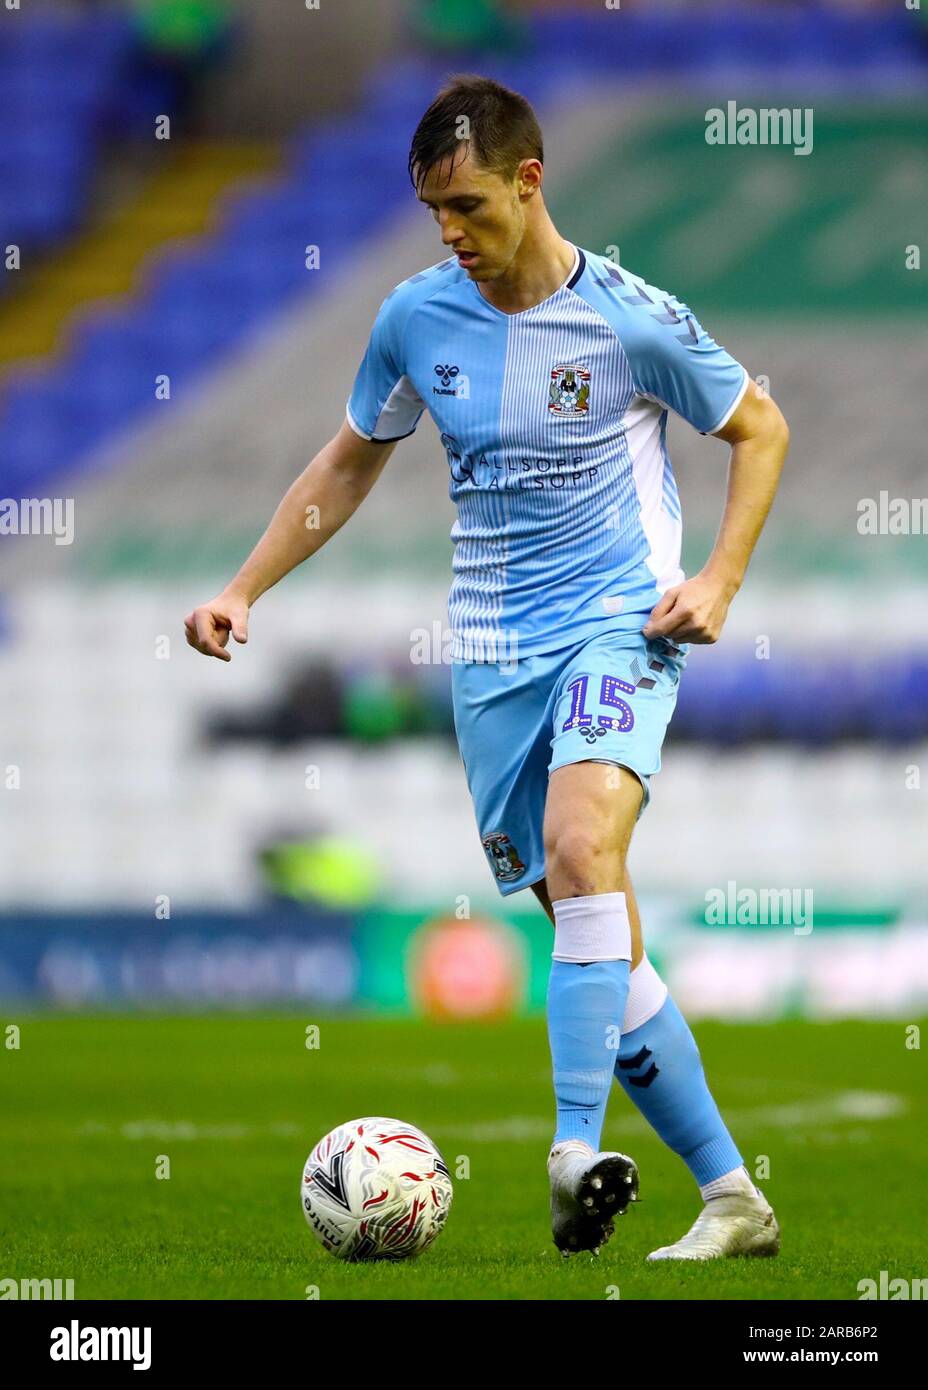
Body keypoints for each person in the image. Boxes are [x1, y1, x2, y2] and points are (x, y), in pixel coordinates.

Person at [185, 74, 789, 1261]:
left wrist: (718, 580)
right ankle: (732, 1198)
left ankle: (571, 1152)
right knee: (589, 922)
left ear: (529, 180)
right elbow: (348, 461)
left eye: (466, 206)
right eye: (433, 213)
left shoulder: (629, 319)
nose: (449, 232)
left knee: (583, 848)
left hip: (619, 624)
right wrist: (242, 587)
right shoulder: (415, 318)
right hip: (493, 656)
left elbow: (758, 427)